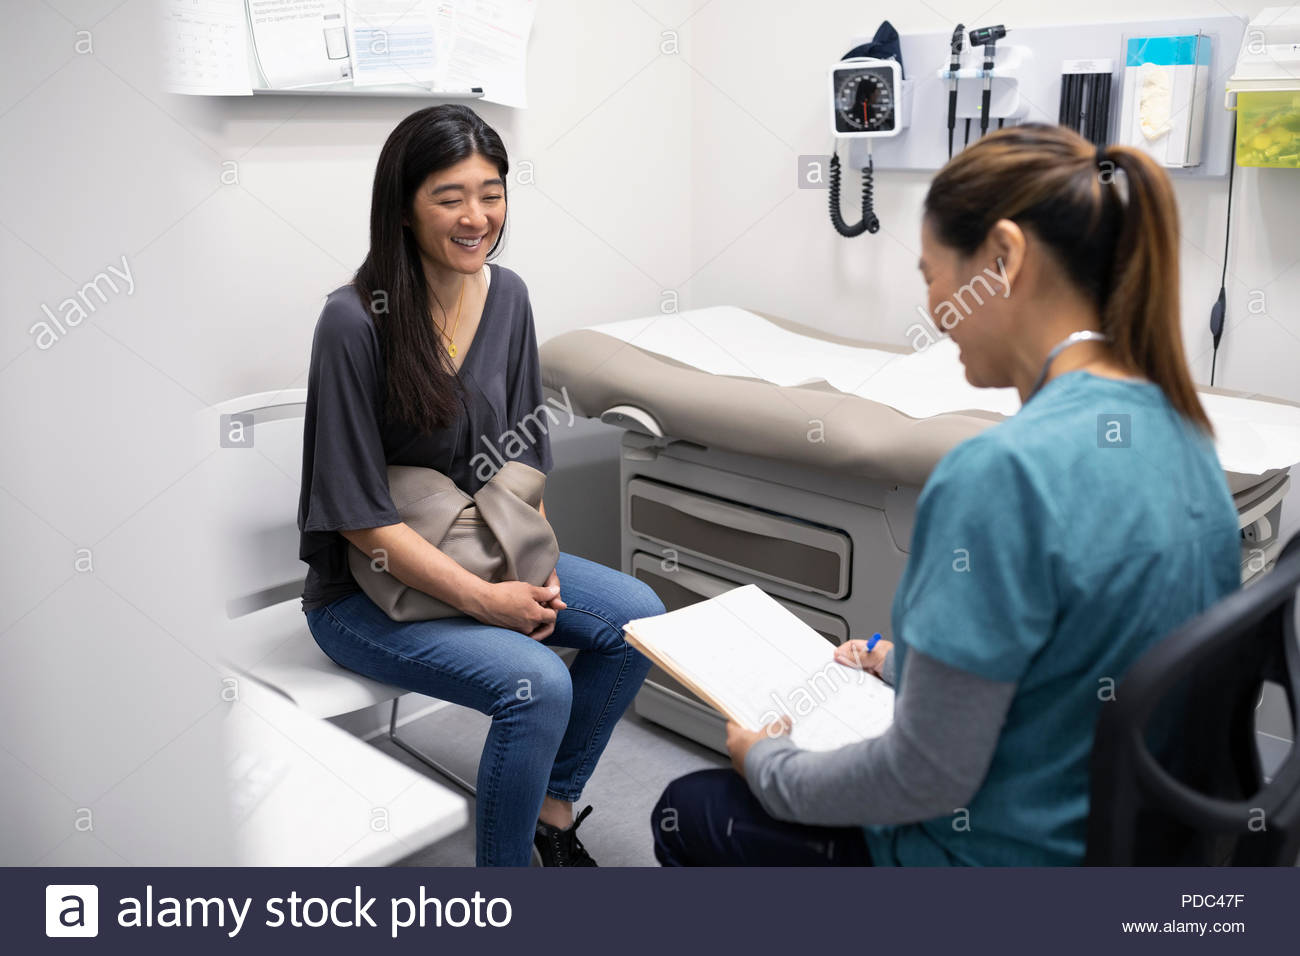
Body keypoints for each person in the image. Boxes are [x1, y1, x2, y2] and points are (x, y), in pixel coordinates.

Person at [651, 123, 1241, 866]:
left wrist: (766, 764)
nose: (933, 308)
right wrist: (908, 666)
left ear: (1003, 258)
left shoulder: (1000, 475)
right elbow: (1089, 657)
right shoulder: (1185, 434)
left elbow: (922, 778)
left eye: (932, 273)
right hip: (1135, 850)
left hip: (996, 866)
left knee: (689, 810)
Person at [297, 105, 657, 867]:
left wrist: (535, 563)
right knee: (537, 685)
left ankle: (550, 819)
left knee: (638, 623)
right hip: (365, 594)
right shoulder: (353, 323)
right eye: (449, 196)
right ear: (402, 206)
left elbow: (523, 456)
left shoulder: (510, 296)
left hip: (486, 550)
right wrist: (487, 601)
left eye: (490, 193)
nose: (476, 217)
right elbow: (361, 524)